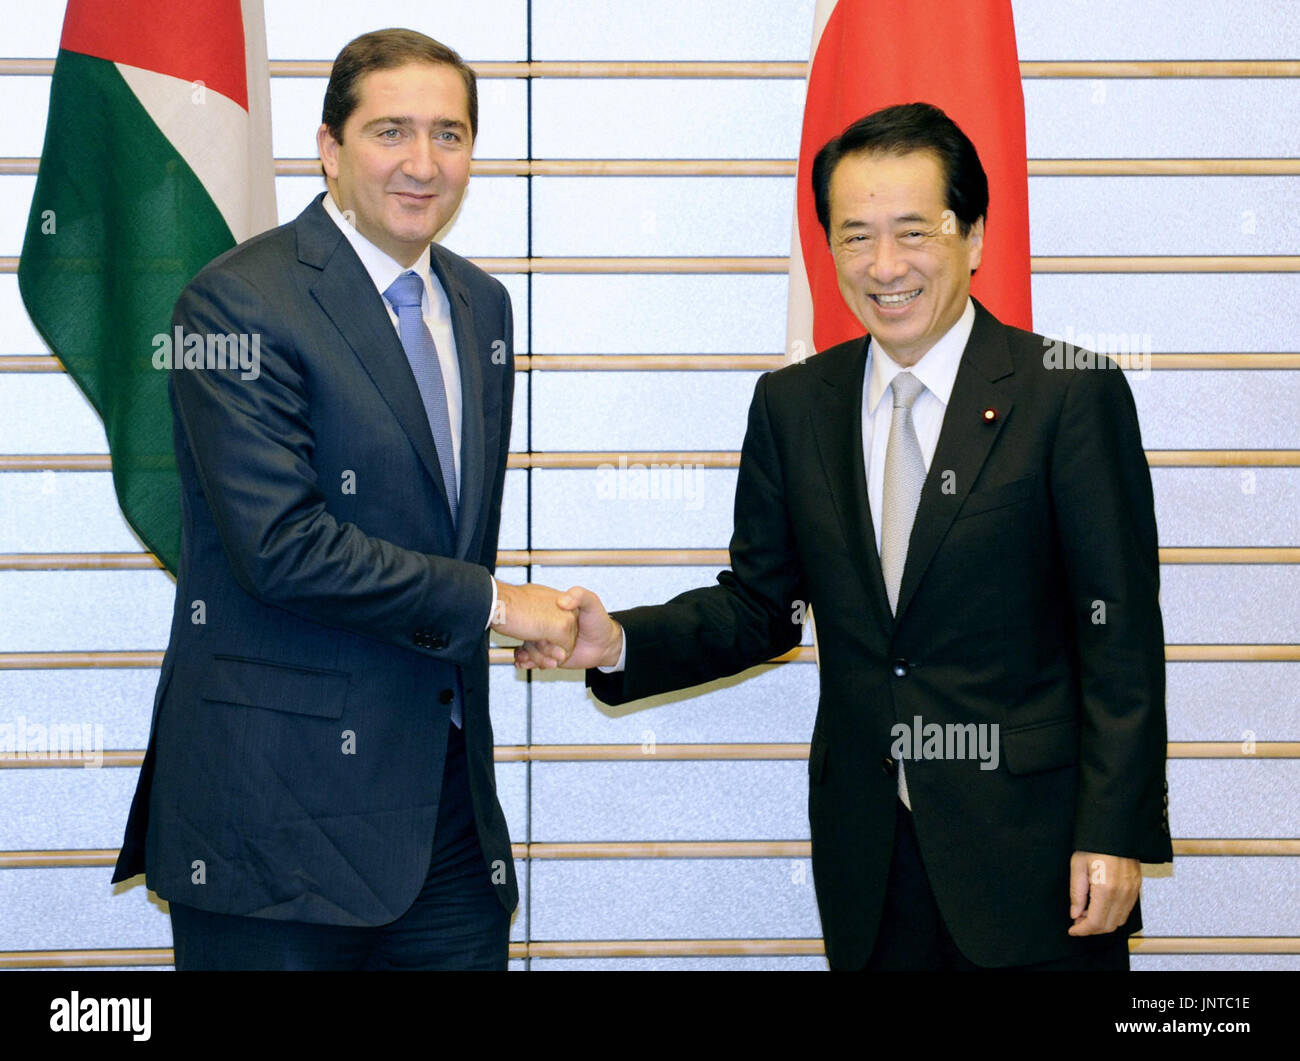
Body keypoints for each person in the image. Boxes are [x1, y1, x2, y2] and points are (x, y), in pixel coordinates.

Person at [518, 102, 1172, 971]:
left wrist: (1114, 831)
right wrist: (620, 640)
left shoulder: (1067, 394)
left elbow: (1120, 635)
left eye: (914, 231)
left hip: (1037, 859)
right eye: (855, 235)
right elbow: (760, 606)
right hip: (871, 864)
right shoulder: (796, 405)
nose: (884, 265)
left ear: (973, 233)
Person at [112, 28, 575, 970]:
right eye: (390, 131)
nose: (422, 162)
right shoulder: (237, 303)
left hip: (444, 821)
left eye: (449, 134)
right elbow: (282, 547)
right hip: (274, 825)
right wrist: (496, 602)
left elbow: (444, 530)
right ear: (329, 148)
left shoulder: (482, 306)